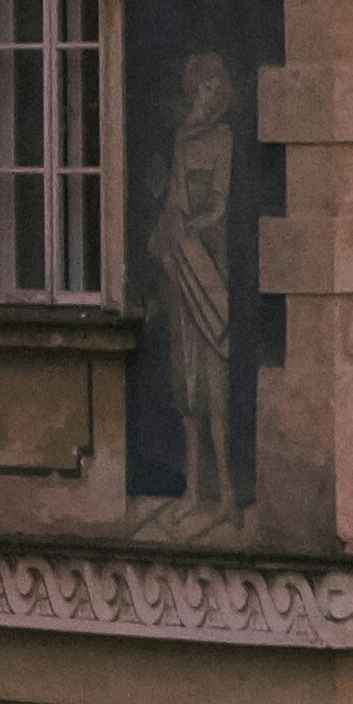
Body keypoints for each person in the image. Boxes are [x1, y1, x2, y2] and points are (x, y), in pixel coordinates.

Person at [151, 51, 239, 516]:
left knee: (216, 381)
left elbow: (221, 203)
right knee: (186, 385)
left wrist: (194, 227)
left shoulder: (222, 137)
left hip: (210, 267)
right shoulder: (182, 136)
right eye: (202, 85)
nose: (208, 93)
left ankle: (225, 492)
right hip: (182, 265)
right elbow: (174, 195)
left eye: (214, 85)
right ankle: (192, 490)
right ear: (192, 88)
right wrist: (170, 230)